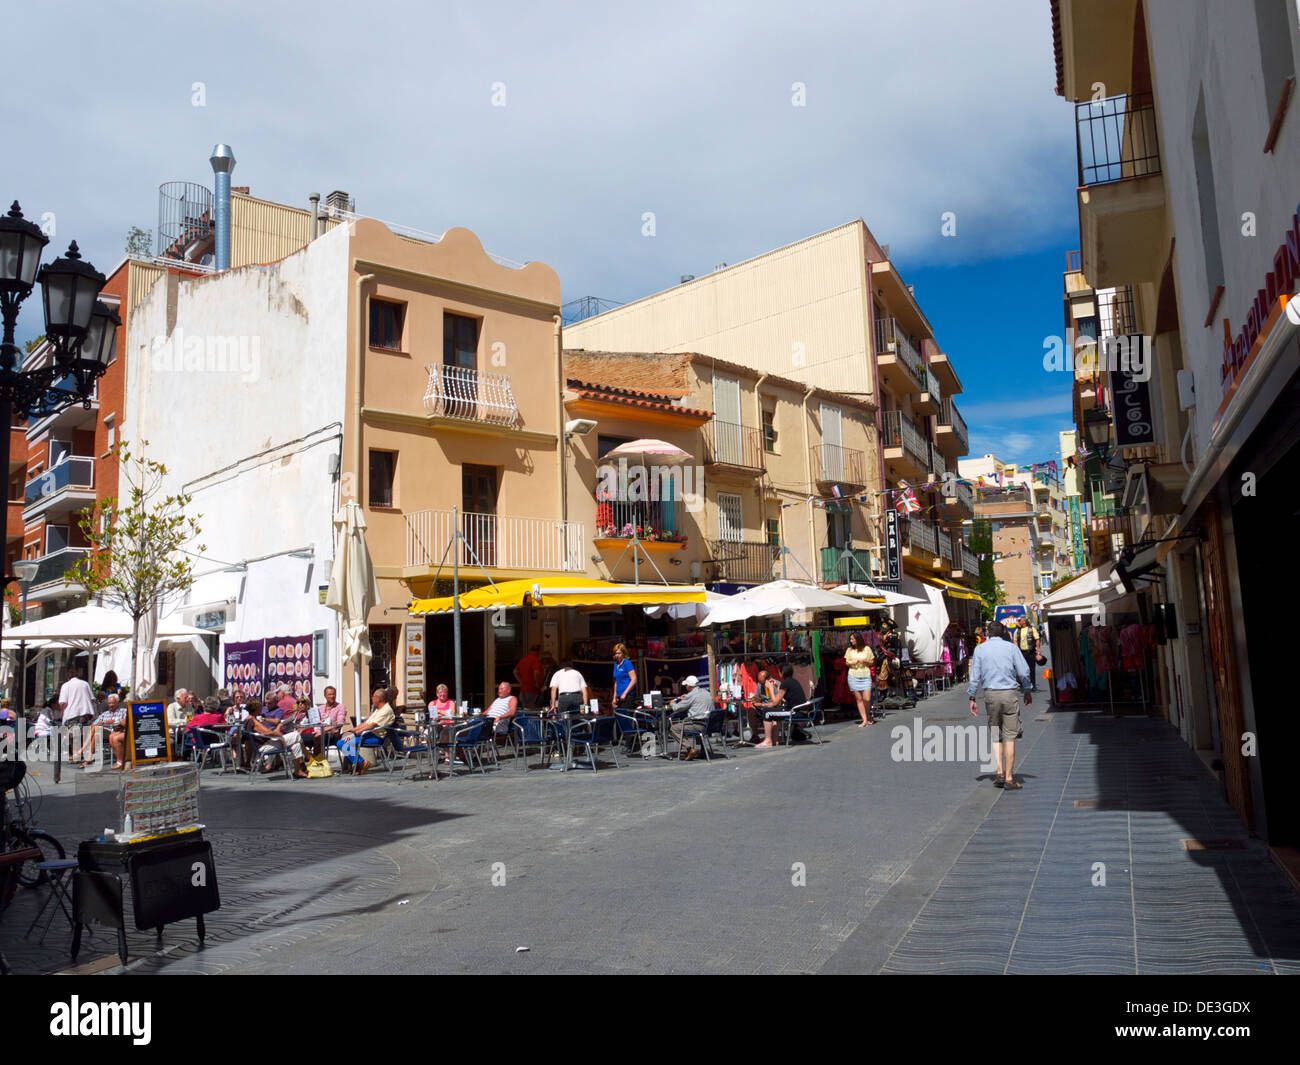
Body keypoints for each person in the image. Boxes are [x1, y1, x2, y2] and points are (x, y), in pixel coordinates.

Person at [967, 619, 1032, 789]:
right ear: (1003, 632)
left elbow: (975, 675)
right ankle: (1010, 778)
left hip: (990, 694)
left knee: (996, 734)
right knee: (1010, 736)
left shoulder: (980, 649)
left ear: (987, 633)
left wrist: (972, 697)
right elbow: (1024, 671)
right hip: (1009, 693)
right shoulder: (1011, 648)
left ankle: (1000, 772)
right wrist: (1027, 689)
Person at [336, 688, 396, 775]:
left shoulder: (386, 710)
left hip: (376, 737)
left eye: (373, 696)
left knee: (344, 743)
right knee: (340, 741)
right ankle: (360, 764)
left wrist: (354, 734)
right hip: (368, 735)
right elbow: (366, 723)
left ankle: (362, 763)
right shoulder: (378, 709)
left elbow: (372, 726)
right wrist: (350, 731)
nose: (372, 698)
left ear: (378, 698)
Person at [245, 700, 308, 778]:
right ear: (257, 708)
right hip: (264, 747)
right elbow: (267, 732)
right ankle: (308, 756)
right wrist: (277, 733)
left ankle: (298, 771)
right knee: (296, 735)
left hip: (266, 744)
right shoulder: (254, 721)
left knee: (296, 744)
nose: (262, 708)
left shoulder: (248, 719)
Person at [756, 665, 807, 748]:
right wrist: (777, 686)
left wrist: (771, 688)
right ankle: (775, 740)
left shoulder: (786, 684)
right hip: (799, 711)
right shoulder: (793, 681)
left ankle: (768, 741)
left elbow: (775, 702)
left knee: (767, 712)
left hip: (795, 712)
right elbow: (785, 699)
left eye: (779, 672)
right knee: (773, 711)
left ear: (782, 673)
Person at [668, 675, 714, 760]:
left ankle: (689, 749)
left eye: (686, 685)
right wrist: (686, 698)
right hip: (710, 725)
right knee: (694, 721)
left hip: (699, 725)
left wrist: (672, 703)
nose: (685, 687)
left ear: (689, 686)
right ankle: (703, 751)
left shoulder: (691, 695)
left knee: (674, 728)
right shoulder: (706, 692)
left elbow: (676, 708)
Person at [60, 667, 96, 761]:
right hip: (85, 713)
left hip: (72, 713)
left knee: (73, 735)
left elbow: (63, 702)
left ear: (68, 677)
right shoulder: (85, 684)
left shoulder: (66, 685)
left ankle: (76, 754)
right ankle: (82, 753)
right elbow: (92, 699)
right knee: (83, 734)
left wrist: (61, 711)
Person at [843, 632, 876, 728]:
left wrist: (865, 661)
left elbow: (872, 662)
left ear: (858, 639)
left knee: (867, 699)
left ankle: (867, 715)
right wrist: (852, 663)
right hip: (853, 675)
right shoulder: (849, 650)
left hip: (865, 675)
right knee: (859, 699)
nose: (851, 641)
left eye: (853, 639)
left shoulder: (867, 649)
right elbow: (846, 663)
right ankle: (864, 720)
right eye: (850, 639)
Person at [610, 643, 637, 712]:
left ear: (623, 653)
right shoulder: (615, 665)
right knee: (619, 718)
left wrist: (625, 693)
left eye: (619, 653)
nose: (617, 655)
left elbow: (634, 679)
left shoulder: (627, 663)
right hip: (619, 696)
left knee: (626, 718)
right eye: (616, 653)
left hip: (627, 696)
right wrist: (614, 697)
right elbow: (616, 682)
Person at [1017, 620, 1040, 692]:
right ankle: (1023, 684)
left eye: (1020, 621)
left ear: (1024, 622)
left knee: (1031, 669)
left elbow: (1037, 639)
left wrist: (1038, 650)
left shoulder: (1031, 629)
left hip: (1030, 652)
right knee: (1022, 669)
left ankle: (1033, 684)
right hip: (1022, 652)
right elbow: (1015, 641)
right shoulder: (1018, 631)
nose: (1018, 622)